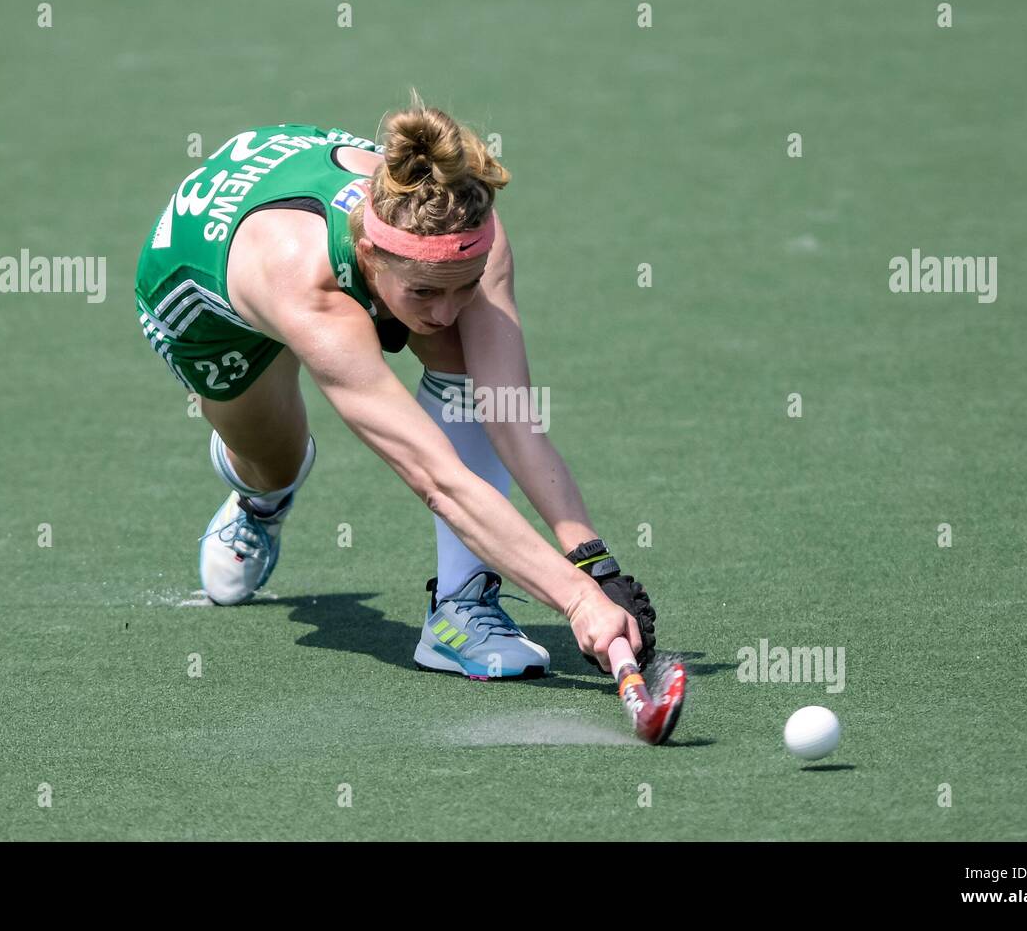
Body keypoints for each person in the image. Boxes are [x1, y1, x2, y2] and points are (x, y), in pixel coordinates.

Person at [134, 95, 658, 679]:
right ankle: (261, 503)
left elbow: (509, 415)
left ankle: (461, 613)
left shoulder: (467, 227)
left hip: (314, 201)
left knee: (462, 357)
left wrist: (593, 561)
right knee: (273, 459)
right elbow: (437, 478)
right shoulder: (308, 290)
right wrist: (576, 599)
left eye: (464, 286)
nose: (448, 310)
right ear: (369, 255)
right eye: (426, 293)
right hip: (200, 292)